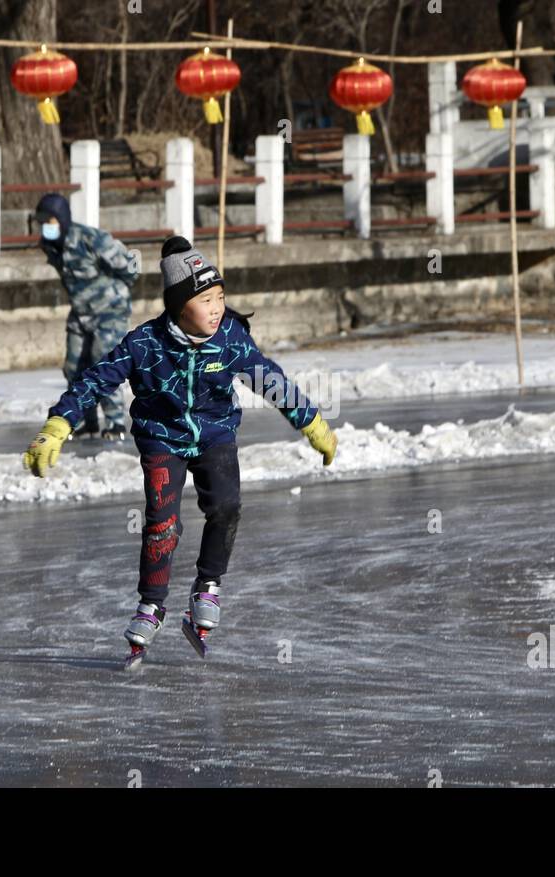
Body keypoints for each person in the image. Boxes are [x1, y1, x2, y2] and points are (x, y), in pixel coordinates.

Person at [23, 235, 338, 666]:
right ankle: (151, 605)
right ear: (177, 305)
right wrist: (58, 423)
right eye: (205, 299)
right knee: (162, 524)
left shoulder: (230, 338)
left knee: (227, 507)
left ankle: (208, 585)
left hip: (214, 436)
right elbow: (95, 380)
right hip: (161, 439)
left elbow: (270, 380)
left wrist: (311, 421)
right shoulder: (144, 344)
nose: (216, 308)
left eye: (220, 297)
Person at [34, 192, 137, 441]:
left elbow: (129, 266)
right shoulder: (50, 245)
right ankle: (84, 421)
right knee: (74, 366)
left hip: (109, 311)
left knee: (103, 363)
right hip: (81, 312)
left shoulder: (91, 239)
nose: (46, 227)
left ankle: (114, 422)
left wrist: (116, 293)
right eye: (42, 222)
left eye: (51, 221)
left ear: (63, 219)